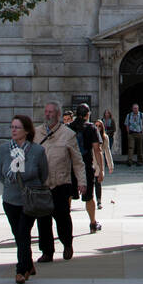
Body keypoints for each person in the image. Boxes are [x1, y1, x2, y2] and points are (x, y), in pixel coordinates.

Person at [0, 114, 48, 284]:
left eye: (17, 127)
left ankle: (21, 270)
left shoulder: (37, 151)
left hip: (29, 199)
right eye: (12, 127)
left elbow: (43, 174)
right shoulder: (4, 149)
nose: (13, 130)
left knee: (23, 233)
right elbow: (0, 173)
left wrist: (30, 185)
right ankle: (29, 264)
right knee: (18, 235)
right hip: (10, 199)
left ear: (26, 131)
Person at [34, 99, 86, 262]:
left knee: (62, 217)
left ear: (58, 114)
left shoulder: (68, 134)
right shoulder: (36, 133)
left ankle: (67, 244)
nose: (48, 114)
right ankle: (47, 251)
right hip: (42, 184)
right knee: (43, 219)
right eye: (46, 111)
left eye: (51, 112)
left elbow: (77, 161)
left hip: (61, 183)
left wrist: (82, 181)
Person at [70, 103, 103, 233]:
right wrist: (100, 169)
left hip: (71, 167)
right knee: (89, 196)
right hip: (86, 166)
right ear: (88, 114)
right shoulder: (91, 128)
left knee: (68, 196)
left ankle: (66, 225)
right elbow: (97, 149)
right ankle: (92, 223)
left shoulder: (68, 128)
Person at [94, 118, 114, 209]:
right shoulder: (91, 135)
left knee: (98, 182)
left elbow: (107, 151)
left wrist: (110, 165)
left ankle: (99, 201)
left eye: (99, 126)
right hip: (91, 161)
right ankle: (89, 201)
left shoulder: (104, 137)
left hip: (99, 162)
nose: (97, 127)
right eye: (96, 125)